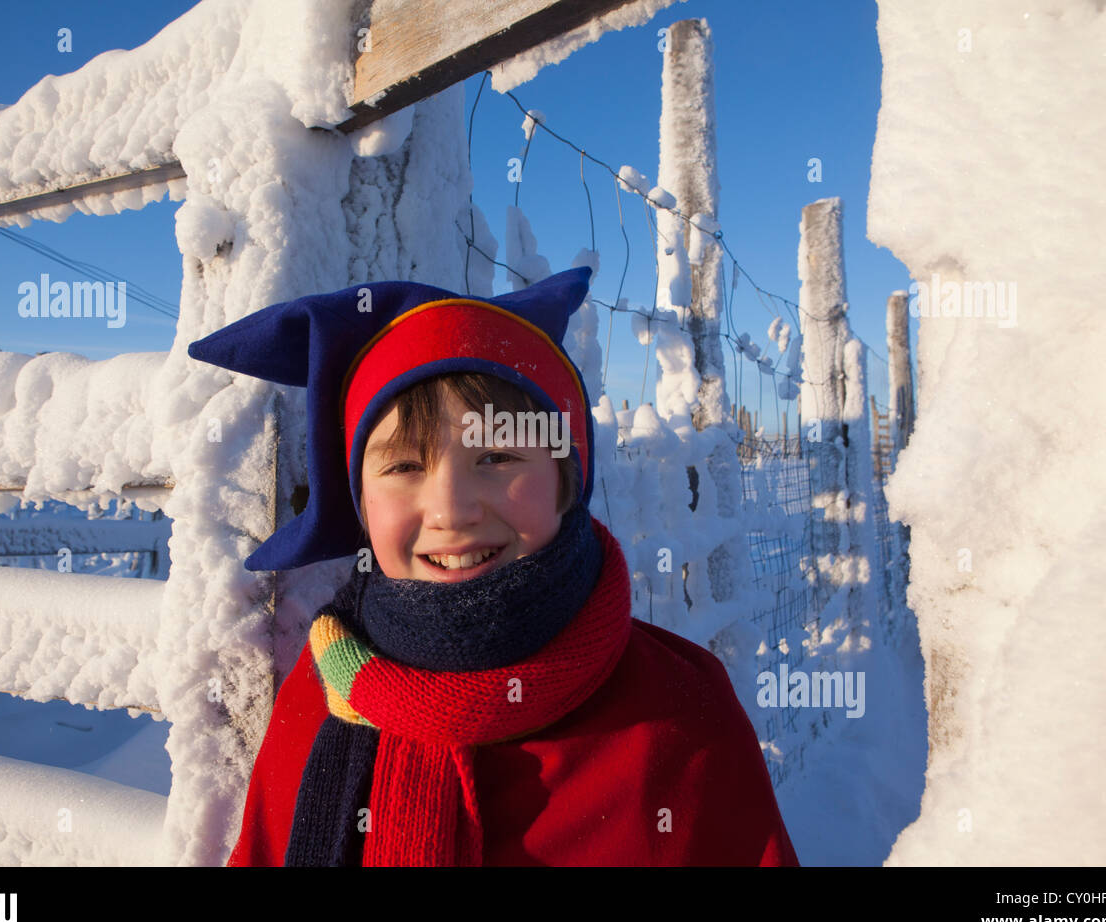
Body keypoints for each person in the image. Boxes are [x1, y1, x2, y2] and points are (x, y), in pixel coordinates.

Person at [188, 266, 799, 866]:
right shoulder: (323, 692)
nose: (451, 510)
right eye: (404, 467)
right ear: (360, 503)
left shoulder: (678, 713)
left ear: (566, 479)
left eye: (499, 456)